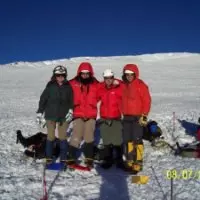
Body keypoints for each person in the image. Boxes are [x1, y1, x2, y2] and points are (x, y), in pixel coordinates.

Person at [36, 65, 74, 165]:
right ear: (55, 75)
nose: (60, 77)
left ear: (65, 75)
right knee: (51, 136)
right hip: (51, 114)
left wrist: (71, 110)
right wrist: (40, 112)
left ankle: (63, 158)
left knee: (62, 136)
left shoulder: (68, 87)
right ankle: (48, 157)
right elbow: (43, 99)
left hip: (63, 116)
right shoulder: (50, 86)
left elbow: (71, 101)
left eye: (62, 75)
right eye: (58, 75)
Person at [121, 64, 151, 174]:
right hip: (126, 116)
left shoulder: (140, 85)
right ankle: (129, 160)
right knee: (127, 140)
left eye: (131, 74)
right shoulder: (123, 85)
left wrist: (144, 115)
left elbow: (147, 100)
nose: (129, 76)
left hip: (138, 117)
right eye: (127, 74)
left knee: (137, 139)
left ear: (135, 74)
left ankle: (138, 162)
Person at [68, 62, 99, 168]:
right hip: (78, 113)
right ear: (79, 73)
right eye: (83, 73)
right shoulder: (73, 83)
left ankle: (89, 158)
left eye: (87, 73)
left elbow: (105, 90)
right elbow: (61, 86)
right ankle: (71, 157)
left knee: (89, 136)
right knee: (77, 134)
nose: (85, 75)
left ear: (91, 73)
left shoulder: (96, 84)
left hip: (91, 114)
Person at [97, 69, 123, 169]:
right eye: (106, 78)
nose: (108, 80)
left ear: (113, 78)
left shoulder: (118, 87)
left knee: (117, 140)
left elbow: (125, 86)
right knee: (107, 140)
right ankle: (108, 159)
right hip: (104, 118)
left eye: (110, 78)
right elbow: (95, 99)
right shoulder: (101, 88)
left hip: (116, 117)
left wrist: (118, 82)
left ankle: (119, 160)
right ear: (104, 79)